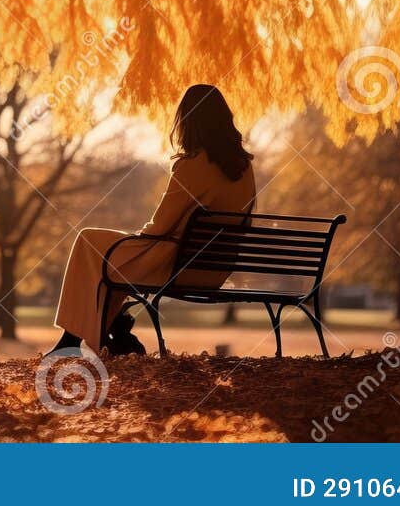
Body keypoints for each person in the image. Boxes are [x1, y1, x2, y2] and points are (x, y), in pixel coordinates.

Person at [48, 83, 256, 356]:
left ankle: (78, 339)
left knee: (89, 240)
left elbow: (160, 226)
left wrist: (135, 237)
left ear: (189, 121)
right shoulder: (244, 167)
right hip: (213, 270)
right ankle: (111, 334)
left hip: (176, 265)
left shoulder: (192, 164)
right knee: (109, 258)